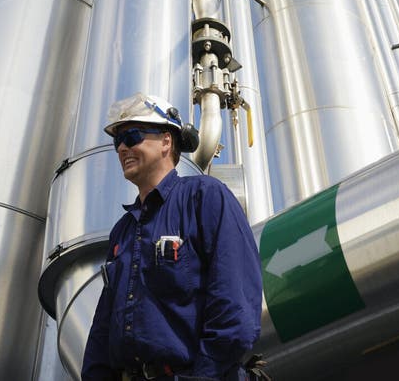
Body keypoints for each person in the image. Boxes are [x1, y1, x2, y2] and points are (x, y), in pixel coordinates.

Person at [81, 92, 264, 381]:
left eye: (132, 136)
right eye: (117, 141)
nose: (122, 149)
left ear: (166, 141)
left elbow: (234, 308)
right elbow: (103, 328)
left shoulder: (204, 198)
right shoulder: (123, 231)